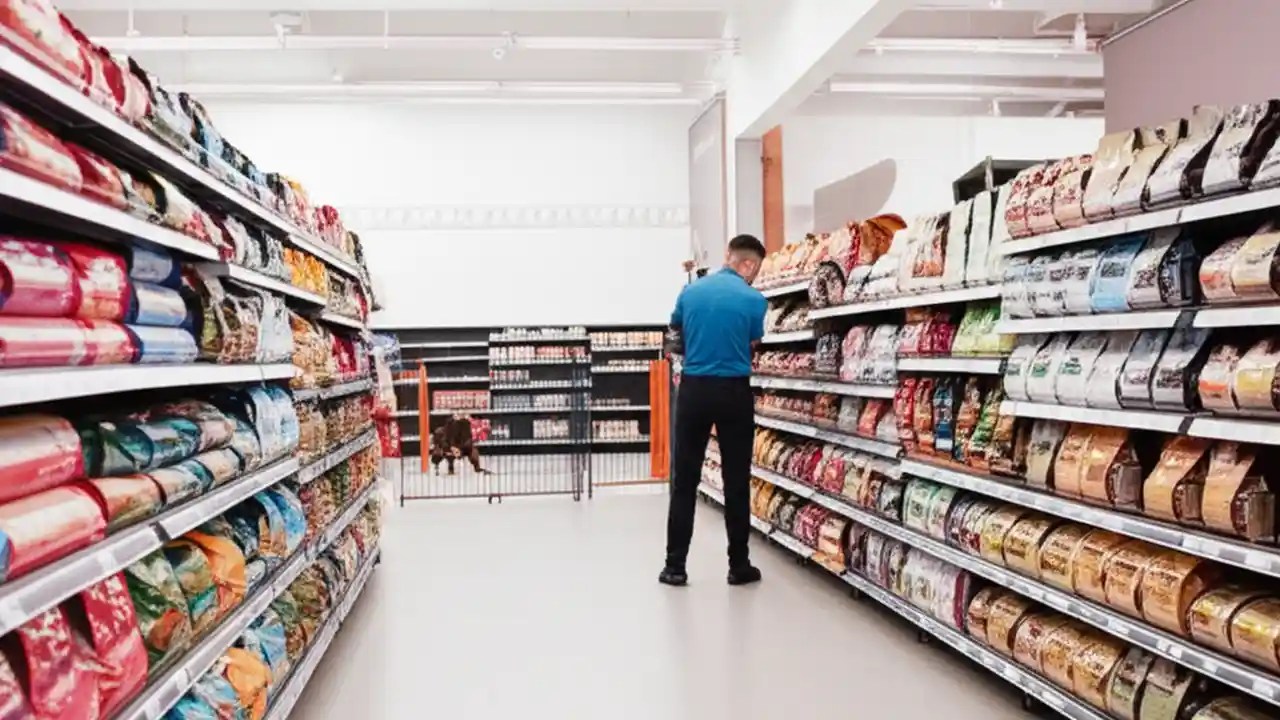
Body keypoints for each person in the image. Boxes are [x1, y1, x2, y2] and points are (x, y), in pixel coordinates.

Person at [661, 234, 767, 587]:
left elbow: (677, 331)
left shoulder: (690, 292)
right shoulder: (754, 300)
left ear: (728, 255)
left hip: (694, 389)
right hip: (734, 391)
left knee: (685, 480)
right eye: (756, 269)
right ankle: (739, 565)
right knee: (736, 481)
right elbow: (753, 340)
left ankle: (674, 566)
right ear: (748, 264)